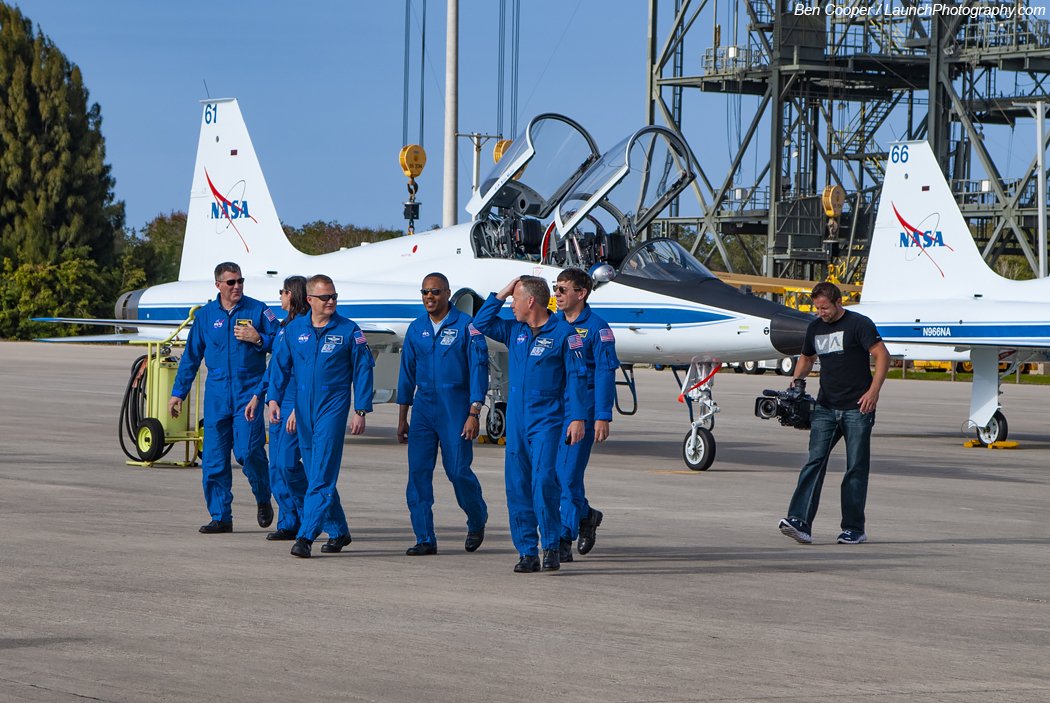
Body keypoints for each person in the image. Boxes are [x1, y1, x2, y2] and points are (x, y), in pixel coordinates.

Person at [472, 275, 588, 573]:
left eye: (515, 299)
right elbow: (481, 323)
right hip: (518, 422)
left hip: (548, 422)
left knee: (544, 482)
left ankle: (550, 546)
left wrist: (577, 417)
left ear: (531, 301)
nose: (511, 305)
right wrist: (501, 293)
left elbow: (577, 378)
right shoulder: (515, 331)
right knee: (517, 487)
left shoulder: (565, 334)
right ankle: (526, 551)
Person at [266, 274, 374, 558]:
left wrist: (360, 409)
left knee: (323, 473)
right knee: (313, 473)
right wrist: (274, 398)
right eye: (325, 298)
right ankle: (338, 530)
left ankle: (306, 535)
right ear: (310, 300)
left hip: (332, 408)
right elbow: (280, 365)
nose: (331, 302)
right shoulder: (294, 330)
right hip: (303, 409)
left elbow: (363, 370)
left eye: (334, 297)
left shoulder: (349, 331)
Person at [169, 262, 279, 533]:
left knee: (248, 452)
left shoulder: (258, 310)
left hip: (248, 394)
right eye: (231, 282)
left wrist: (258, 339)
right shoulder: (206, 316)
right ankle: (221, 516)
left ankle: (263, 496)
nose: (237, 286)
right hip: (217, 395)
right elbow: (191, 358)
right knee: (214, 460)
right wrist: (178, 393)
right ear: (218, 284)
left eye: (240, 281)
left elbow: (282, 341)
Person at [778, 281, 889, 546]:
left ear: (838, 302)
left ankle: (853, 528)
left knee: (855, 468)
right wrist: (796, 380)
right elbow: (807, 357)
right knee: (814, 462)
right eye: (817, 308)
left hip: (857, 408)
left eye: (824, 307)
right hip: (826, 407)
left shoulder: (859, 324)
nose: (820, 312)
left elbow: (882, 355)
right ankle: (799, 522)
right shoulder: (815, 327)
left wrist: (873, 392)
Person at [396, 273, 489, 556]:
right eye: (424, 292)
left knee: (458, 471)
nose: (429, 297)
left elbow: (478, 370)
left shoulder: (467, 326)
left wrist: (474, 411)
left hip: (455, 407)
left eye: (435, 292)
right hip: (424, 408)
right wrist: (403, 417)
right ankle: (425, 537)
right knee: (418, 475)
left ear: (448, 293)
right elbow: (406, 375)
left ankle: (477, 518)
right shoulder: (416, 329)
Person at [552, 268, 620, 562]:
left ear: (581, 293)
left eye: (563, 290)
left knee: (568, 477)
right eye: (555, 289)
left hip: (585, 409)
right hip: (555, 409)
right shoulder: (553, 324)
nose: (557, 295)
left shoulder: (598, 328)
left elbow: (605, 372)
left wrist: (603, 415)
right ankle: (587, 516)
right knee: (554, 477)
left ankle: (564, 538)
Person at [245, 276, 310, 541]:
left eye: (282, 292)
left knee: (288, 464)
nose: (280, 296)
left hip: (296, 403)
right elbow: (274, 368)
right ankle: (288, 522)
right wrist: (258, 395)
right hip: (277, 404)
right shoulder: (284, 328)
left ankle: (310, 517)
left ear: (293, 294)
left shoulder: (304, 329)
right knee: (277, 468)